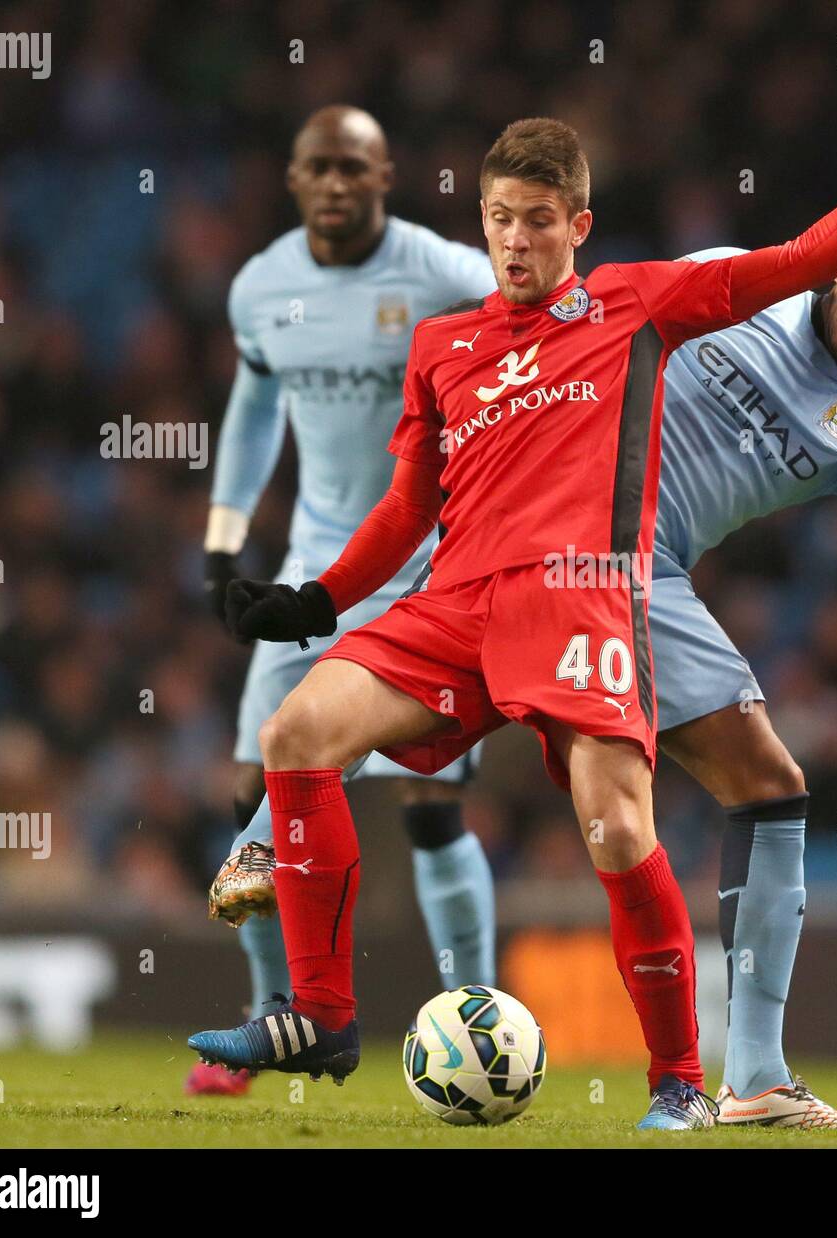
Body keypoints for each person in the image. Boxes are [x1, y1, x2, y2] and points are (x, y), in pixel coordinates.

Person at [188, 46, 837, 1131]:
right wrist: (317, 601)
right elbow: (404, 510)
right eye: (498, 220)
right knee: (295, 732)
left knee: (617, 829)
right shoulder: (443, 346)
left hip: (579, 598)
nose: (515, 242)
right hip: (455, 600)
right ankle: (320, 1016)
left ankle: (679, 1081)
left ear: (577, 223)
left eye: (536, 220)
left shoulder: (638, 304)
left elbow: (811, 251)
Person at [187, 104, 496, 1097]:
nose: (335, 184)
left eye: (353, 169)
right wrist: (224, 533)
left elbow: (532, 354)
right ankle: (270, 1014)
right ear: (292, 177)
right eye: (318, 166)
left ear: (385, 175)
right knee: (253, 781)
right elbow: (254, 402)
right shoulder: (261, 285)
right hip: (313, 566)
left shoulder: (447, 274)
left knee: (429, 801)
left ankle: (479, 1015)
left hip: (428, 566)